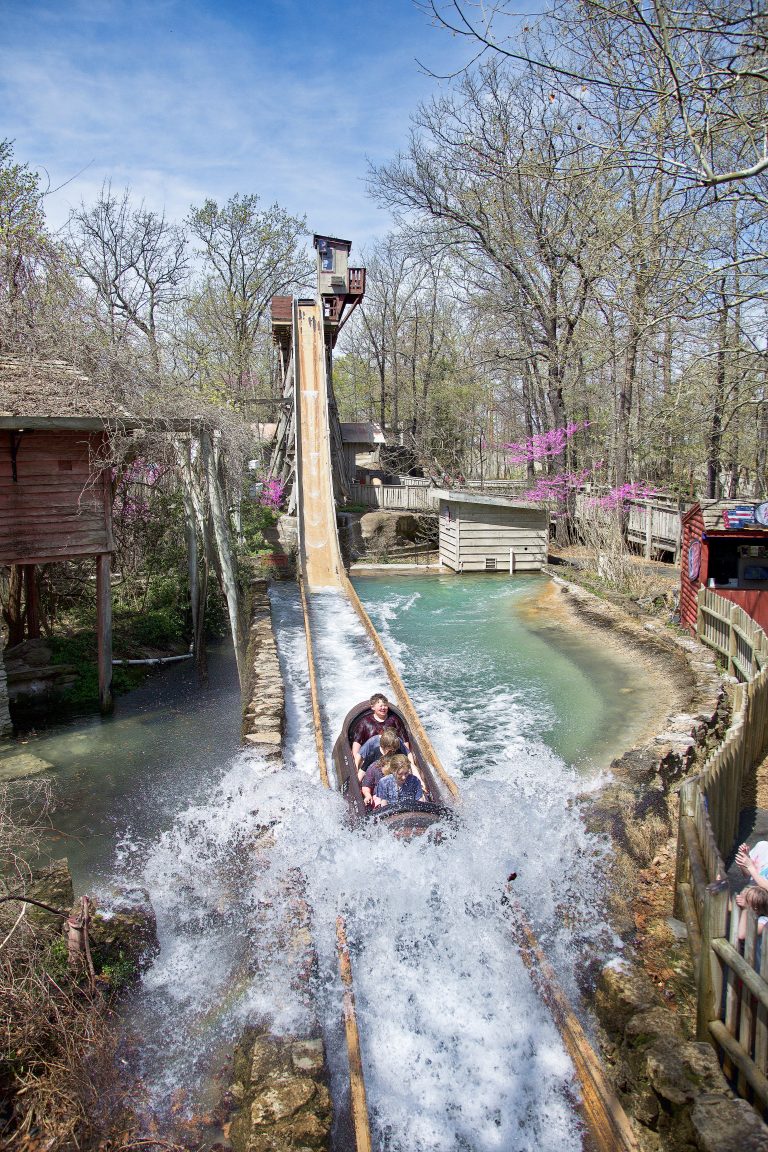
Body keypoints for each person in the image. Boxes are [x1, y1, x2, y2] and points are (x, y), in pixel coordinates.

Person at [350, 693, 410, 770]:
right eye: (380, 706)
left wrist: (406, 756)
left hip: (392, 757)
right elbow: (357, 742)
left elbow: (403, 738)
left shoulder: (394, 720)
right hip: (371, 758)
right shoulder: (364, 722)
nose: (383, 708)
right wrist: (356, 762)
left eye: (385, 705)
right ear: (373, 707)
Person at [360, 729, 401, 805]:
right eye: (391, 750)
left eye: (394, 750)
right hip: (377, 787)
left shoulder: (398, 757)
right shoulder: (374, 760)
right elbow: (363, 772)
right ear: (383, 747)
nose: (393, 752)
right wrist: (364, 793)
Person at [736, 885, 768, 968]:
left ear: (755, 907)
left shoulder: (764, 921)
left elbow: (742, 935)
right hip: (752, 964)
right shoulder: (751, 917)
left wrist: (745, 910)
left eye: (746, 899)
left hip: (761, 969)